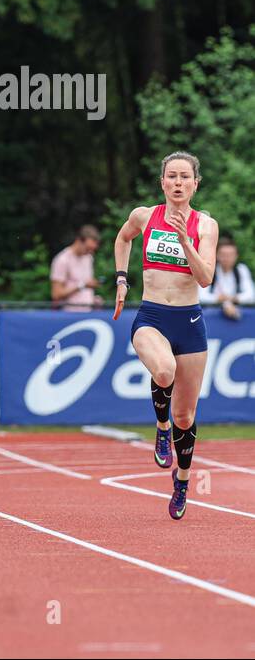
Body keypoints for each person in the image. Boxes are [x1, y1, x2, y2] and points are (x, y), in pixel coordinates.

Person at [111, 151, 218, 521]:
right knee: (163, 371)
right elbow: (122, 239)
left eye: (184, 177)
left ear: (194, 184)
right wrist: (122, 280)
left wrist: (184, 240)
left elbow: (205, 279)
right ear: (162, 182)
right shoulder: (145, 216)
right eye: (171, 176)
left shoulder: (205, 225)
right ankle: (160, 428)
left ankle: (182, 481)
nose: (177, 182)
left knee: (186, 415)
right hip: (152, 316)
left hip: (189, 323)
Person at [198, 237, 254, 320]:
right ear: (217, 255)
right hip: (211, 317)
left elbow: (251, 295)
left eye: (230, 255)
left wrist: (234, 299)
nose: (227, 258)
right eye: (223, 255)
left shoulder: (241, 270)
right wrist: (221, 300)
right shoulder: (209, 270)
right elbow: (200, 296)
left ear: (236, 256)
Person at [50, 225, 103, 310]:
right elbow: (56, 294)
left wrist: (93, 300)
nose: (91, 252)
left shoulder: (88, 258)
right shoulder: (62, 260)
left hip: (88, 313)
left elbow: (84, 290)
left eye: (93, 250)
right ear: (79, 241)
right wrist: (82, 285)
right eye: (88, 248)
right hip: (69, 314)